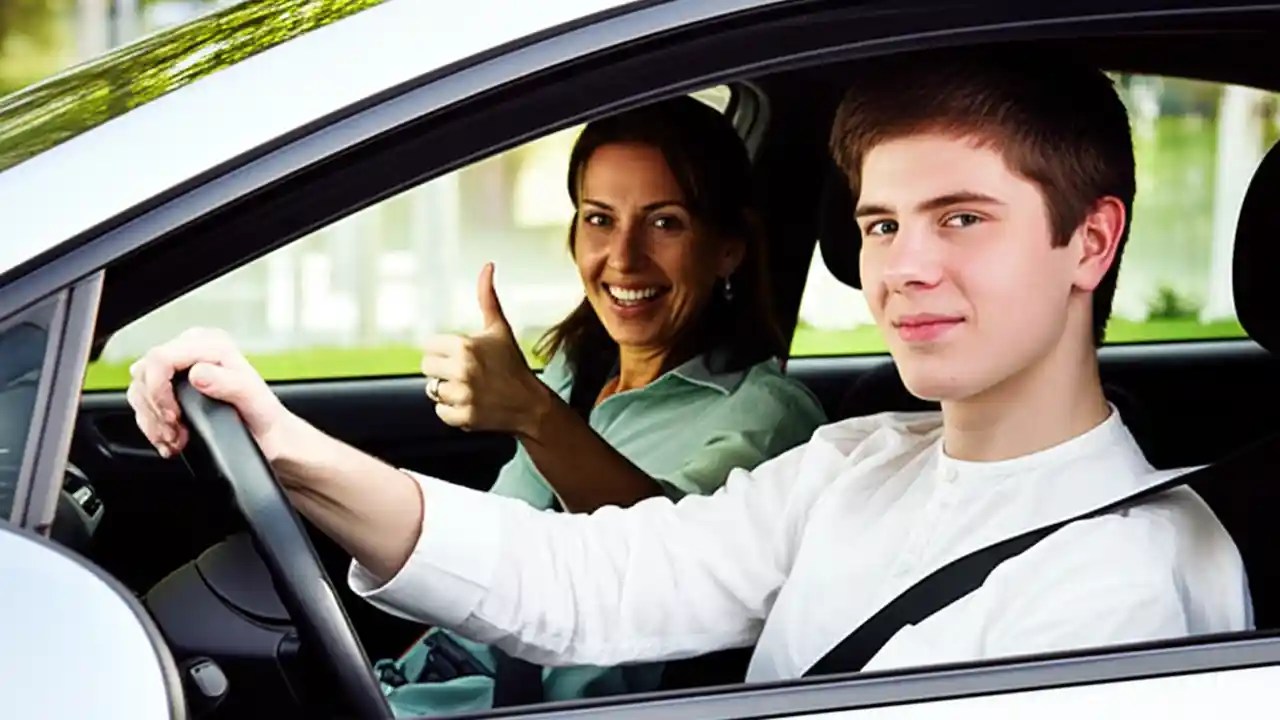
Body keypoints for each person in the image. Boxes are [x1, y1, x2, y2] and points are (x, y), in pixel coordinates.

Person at [128, 49, 1251, 697]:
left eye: (961, 218)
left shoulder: (1130, 579)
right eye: (877, 224)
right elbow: (589, 579)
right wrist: (283, 441)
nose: (903, 269)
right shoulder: (857, 460)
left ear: (1088, 243)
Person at [128, 97, 826, 714]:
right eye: (599, 219)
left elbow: (671, 558)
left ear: (728, 249)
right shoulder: (574, 373)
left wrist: (529, 413)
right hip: (412, 687)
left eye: (665, 222)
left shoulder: (769, 416)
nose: (623, 257)